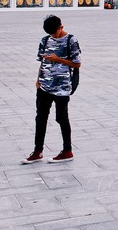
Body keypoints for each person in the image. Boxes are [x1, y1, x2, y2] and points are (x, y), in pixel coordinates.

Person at [21, 15, 82, 164]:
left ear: (61, 27)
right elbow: (42, 62)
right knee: (40, 118)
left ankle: (67, 150)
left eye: (54, 33)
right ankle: (37, 151)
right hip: (44, 86)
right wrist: (37, 80)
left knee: (61, 118)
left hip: (62, 86)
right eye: (50, 34)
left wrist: (58, 59)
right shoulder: (45, 40)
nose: (53, 36)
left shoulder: (71, 40)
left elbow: (77, 64)